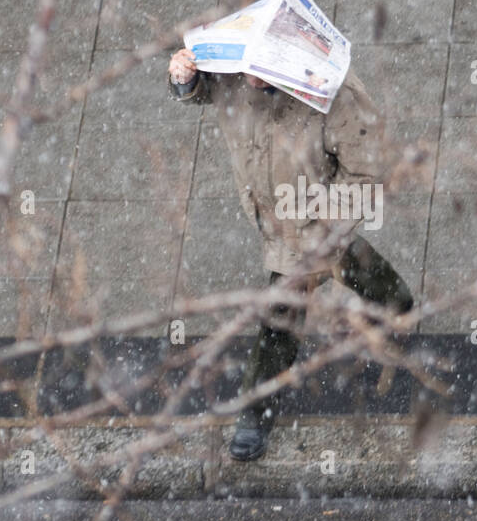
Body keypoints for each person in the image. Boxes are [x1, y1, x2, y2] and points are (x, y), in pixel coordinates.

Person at [167, 48, 413, 461]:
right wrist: (185, 79)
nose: (252, 80)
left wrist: (319, 223)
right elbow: (202, 91)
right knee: (349, 263)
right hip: (272, 216)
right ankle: (395, 302)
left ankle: (255, 413)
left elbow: (367, 172)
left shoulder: (337, 93)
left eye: (265, 70)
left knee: (279, 316)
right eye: (249, 69)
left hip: (313, 215)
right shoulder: (236, 70)